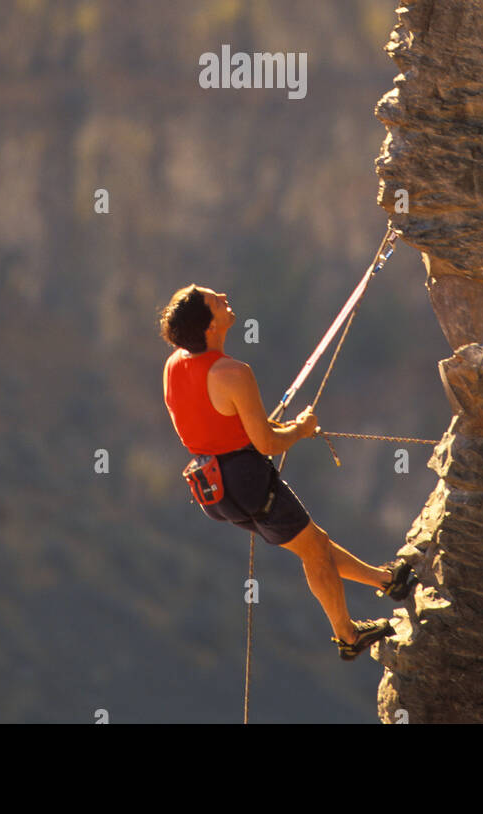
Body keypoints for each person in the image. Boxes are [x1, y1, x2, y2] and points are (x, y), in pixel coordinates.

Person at [160, 283, 418, 660]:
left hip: (212, 488)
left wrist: (270, 431)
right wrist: (301, 428)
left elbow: (218, 423)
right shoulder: (233, 372)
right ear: (209, 326)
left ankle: (386, 580)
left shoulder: (174, 365)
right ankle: (347, 635)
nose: (226, 298)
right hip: (247, 479)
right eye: (217, 301)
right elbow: (266, 444)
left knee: (313, 542)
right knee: (314, 552)